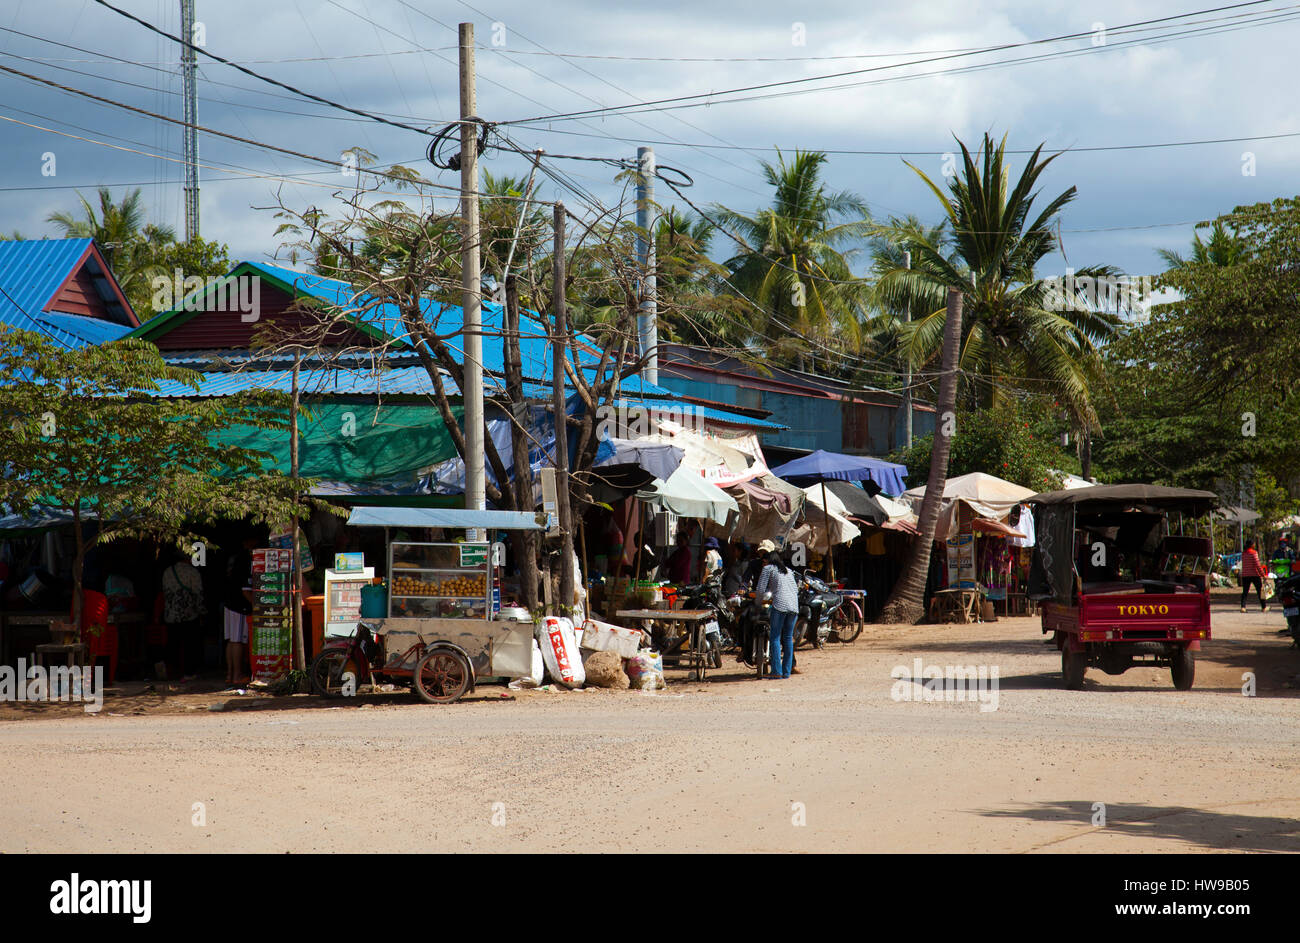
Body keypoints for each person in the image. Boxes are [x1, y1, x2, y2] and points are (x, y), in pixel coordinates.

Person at [161, 552, 205, 678]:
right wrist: (202, 612)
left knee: (173, 643)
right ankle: (189, 672)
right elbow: (198, 594)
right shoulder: (193, 573)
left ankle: (172, 671)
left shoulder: (167, 572)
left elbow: (165, 593)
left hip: (171, 614)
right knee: (190, 644)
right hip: (189, 614)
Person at [757, 550, 799, 679]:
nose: (763, 564)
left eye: (764, 561)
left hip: (779, 605)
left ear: (769, 560)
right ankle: (786, 672)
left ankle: (776, 671)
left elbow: (760, 590)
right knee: (787, 638)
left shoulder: (768, 569)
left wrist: (757, 604)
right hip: (793, 606)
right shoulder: (788, 570)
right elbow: (795, 589)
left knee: (775, 637)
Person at [223, 536, 257, 686]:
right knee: (237, 641)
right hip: (239, 606)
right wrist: (258, 607)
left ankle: (230, 675)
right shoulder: (246, 560)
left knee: (231, 641)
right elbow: (246, 591)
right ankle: (237, 675)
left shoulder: (234, 558)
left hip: (229, 603)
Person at [1240, 540, 1268, 613]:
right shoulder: (1254, 553)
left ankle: (1243, 607)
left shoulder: (1243, 554)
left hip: (1245, 575)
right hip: (1255, 575)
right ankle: (1264, 607)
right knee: (1260, 591)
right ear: (1252, 545)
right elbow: (1257, 565)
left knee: (1245, 592)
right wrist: (1263, 574)